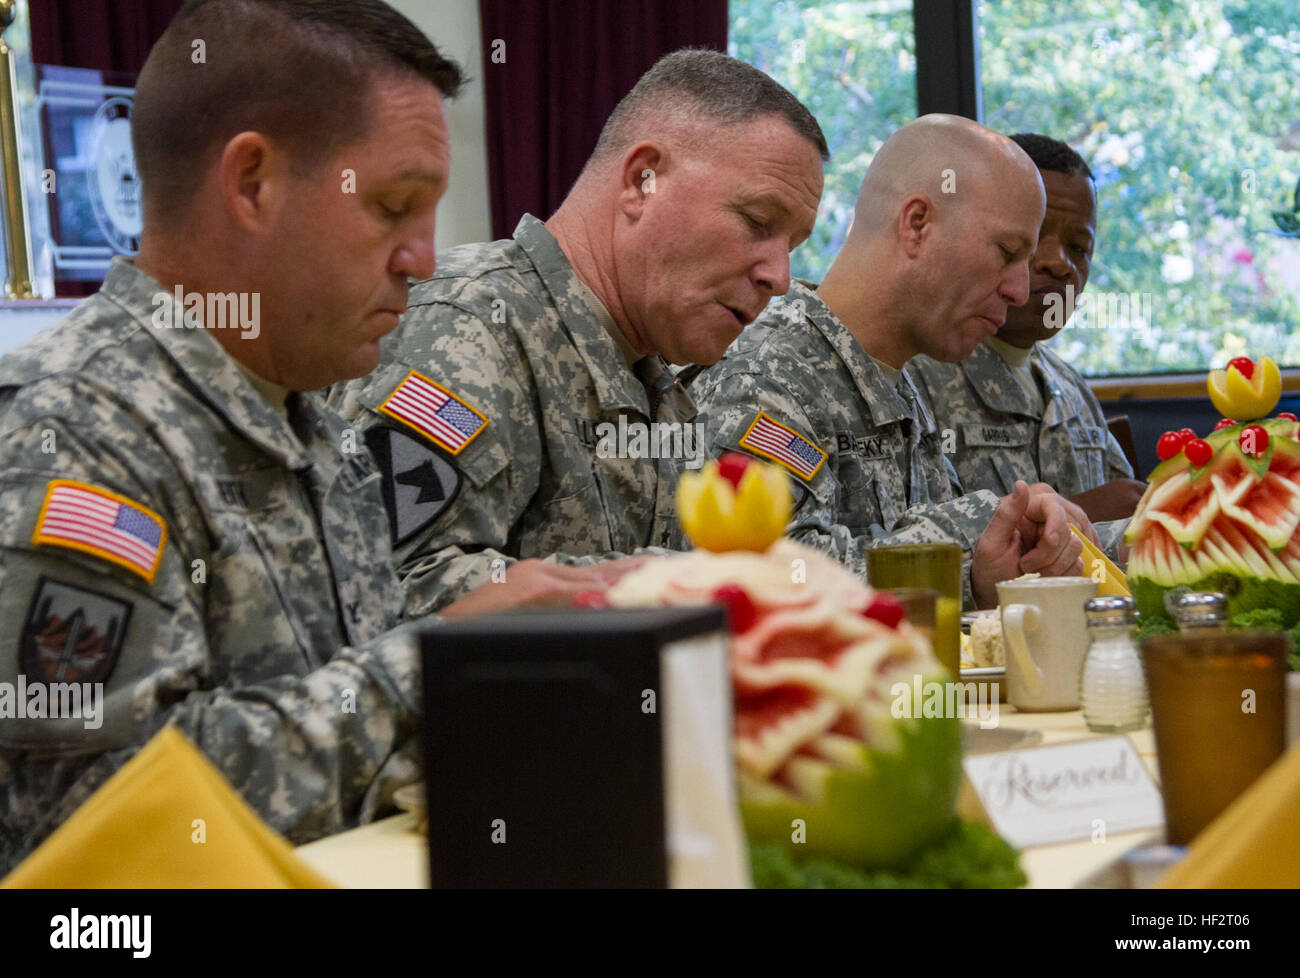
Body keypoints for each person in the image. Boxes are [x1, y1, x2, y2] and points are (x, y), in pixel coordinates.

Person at [0, 0, 616, 874]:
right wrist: (439, 664)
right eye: (395, 206)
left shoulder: (309, 412)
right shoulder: (76, 432)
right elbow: (104, 818)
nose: (424, 259)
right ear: (251, 184)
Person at [328, 50, 828, 614]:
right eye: (758, 222)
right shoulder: (470, 325)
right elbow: (384, 591)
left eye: (794, 246)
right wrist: (673, 585)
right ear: (644, 181)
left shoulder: (658, 380)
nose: (780, 278)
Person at [688, 115, 1090, 609]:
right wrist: (968, 542)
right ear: (916, 224)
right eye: (1006, 251)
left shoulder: (892, 379)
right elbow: (764, 580)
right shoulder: (765, 375)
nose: (1020, 290)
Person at [906, 133, 1145, 528]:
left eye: (1079, 247)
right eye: (1034, 238)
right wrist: (1071, 518)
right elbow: (913, 547)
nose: (1060, 263)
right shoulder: (917, 377)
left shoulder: (1070, 389)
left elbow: (1131, 513)